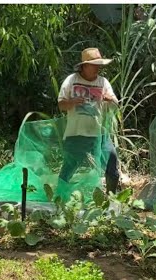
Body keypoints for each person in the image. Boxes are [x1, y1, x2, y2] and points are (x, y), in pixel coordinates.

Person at [57, 47, 121, 195]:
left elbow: (116, 104)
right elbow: (61, 105)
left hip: (99, 133)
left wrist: (109, 99)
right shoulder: (72, 80)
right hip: (76, 134)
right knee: (68, 168)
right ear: (84, 66)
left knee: (112, 164)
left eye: (99, 64)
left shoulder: (103, 82)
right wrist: (72, 102)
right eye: (94, 64)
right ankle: (59, 198)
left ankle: (112, 199)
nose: (98, 67)